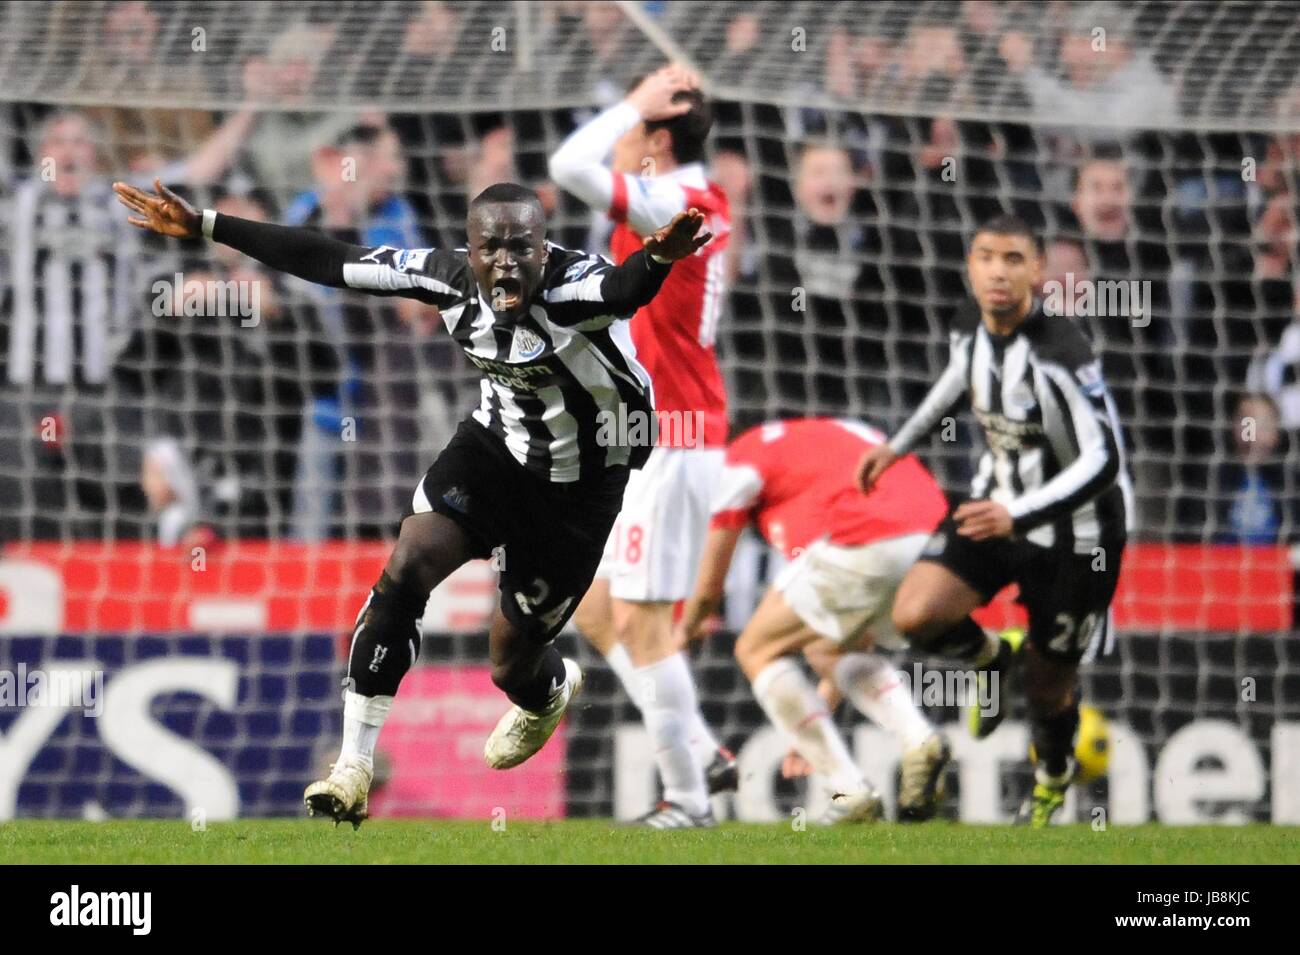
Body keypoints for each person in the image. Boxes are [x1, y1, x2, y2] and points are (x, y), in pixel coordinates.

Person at [113, 177, 711, 828]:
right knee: (409, 563)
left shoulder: (574, 287)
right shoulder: (444, 277)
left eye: (522, 246)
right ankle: (352, 766)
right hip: (497, 449)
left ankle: (548, 694)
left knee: (511, 660)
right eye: (490, 247)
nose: (506, 261)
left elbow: (625, 288)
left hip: (581, 485)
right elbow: (326, 258)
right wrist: (205, 224)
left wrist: (657, 258)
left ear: (545, 247)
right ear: (469, 249)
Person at [856, 214, 1134, 826]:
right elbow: (956, 379)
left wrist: (1020, 513)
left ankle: (1053, 780)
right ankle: (990, 661)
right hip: (994, 508)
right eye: (985, 257)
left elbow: (1105, 458)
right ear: (970, 266)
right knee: (916, 614)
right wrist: (898, 444)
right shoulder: (968, 325)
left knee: (1047, 690)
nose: (997, 272)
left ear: (1037, 270)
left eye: (1012, 259)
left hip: (1078, 535)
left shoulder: (1061, 351)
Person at [549, 65, 735, 827]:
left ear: (657, 139)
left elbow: (567, 166)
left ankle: (687, 798)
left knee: (643, 621)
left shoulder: (675, 200)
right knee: (588, 600)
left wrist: (631, 102)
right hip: (648, 434)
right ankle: (700, 746)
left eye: (630, 129)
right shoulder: (679, 195)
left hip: (678, 433)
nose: (618, 139)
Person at [678, 417, 952, 823]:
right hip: (938, 545)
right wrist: (810, 725)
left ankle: (847, 790)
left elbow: (708, 591)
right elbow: (842, 640)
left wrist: (682, 634)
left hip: (875, 535)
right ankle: (918, 738)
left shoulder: (741, 459)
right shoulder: (830, 441)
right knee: (824, 646)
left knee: (755, 648)